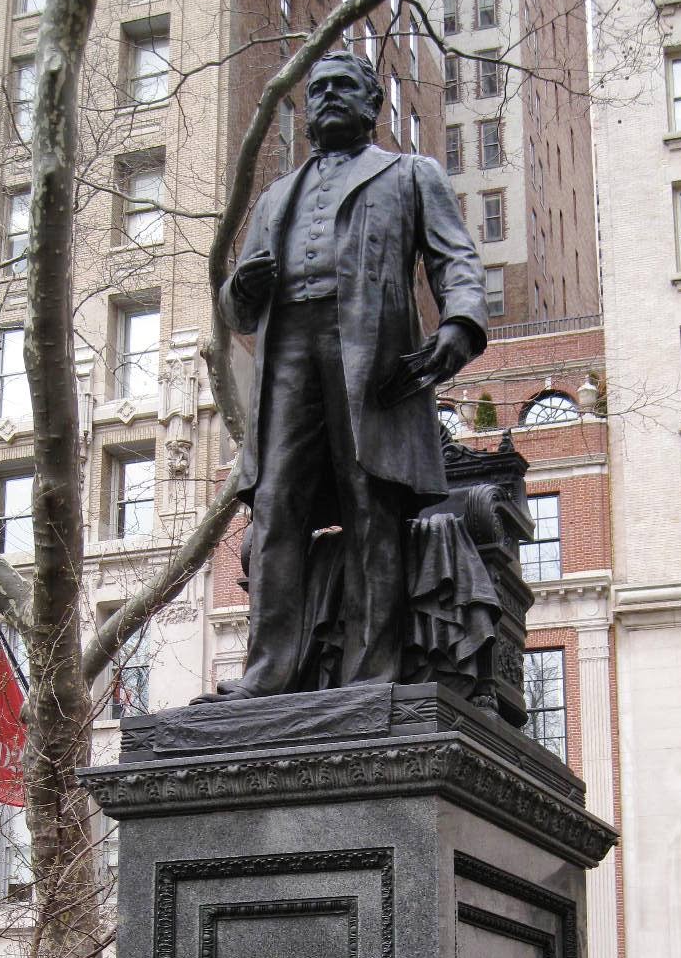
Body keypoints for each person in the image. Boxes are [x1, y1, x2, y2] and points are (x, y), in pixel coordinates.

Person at [209, 50, 489, 699]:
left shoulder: (411, 174)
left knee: (371, 505)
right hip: (287, 356)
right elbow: (237, 309)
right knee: (276, 507)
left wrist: (460, 325)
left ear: (372, 106)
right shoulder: (278, 196)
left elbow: (456, 262)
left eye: (345, 87)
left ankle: (372, 675)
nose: (330, 96)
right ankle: (267, 671)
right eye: (320, 88)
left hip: (371, 358)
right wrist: (238, 289)